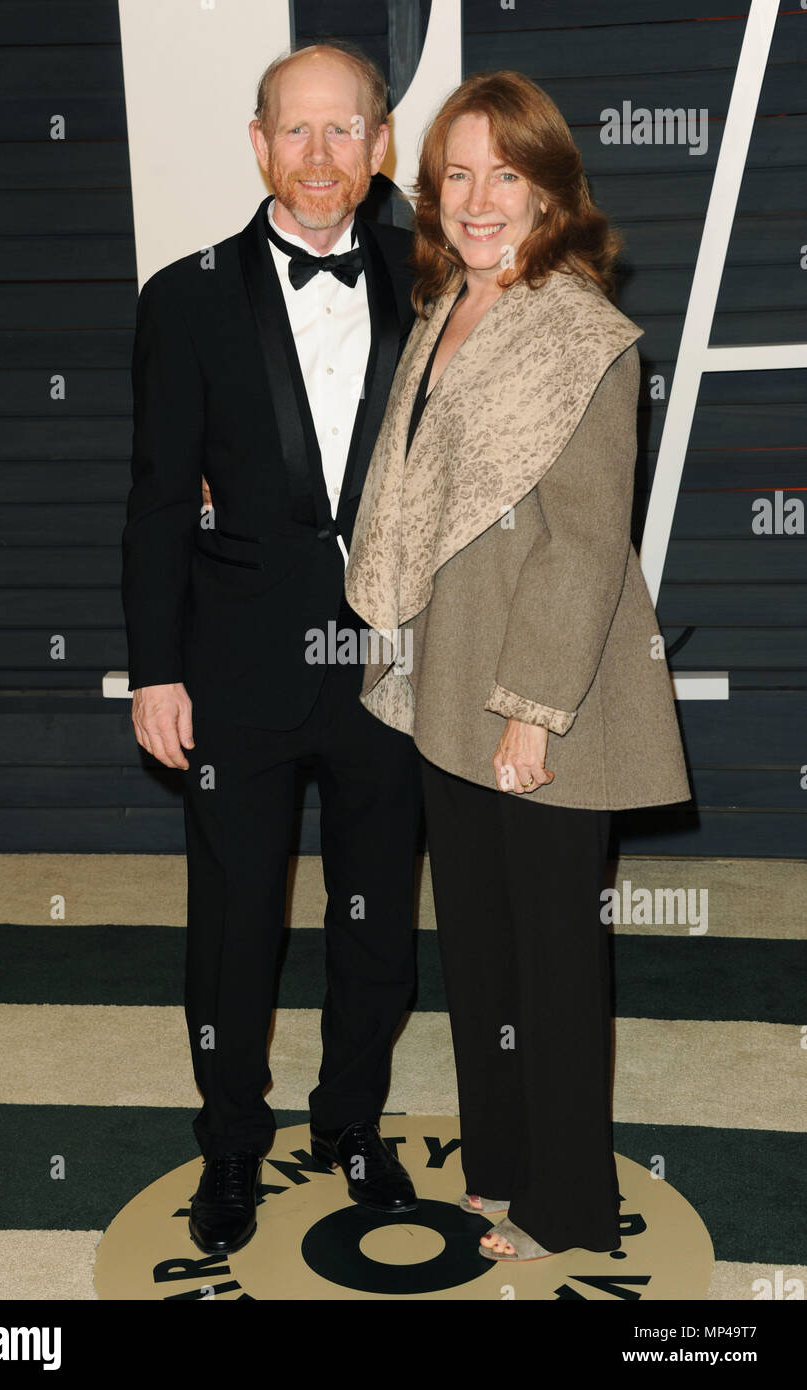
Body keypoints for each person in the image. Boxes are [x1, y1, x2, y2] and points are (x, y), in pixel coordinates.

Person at [345, 70, 692, 1262]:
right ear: (432, 190)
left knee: (552, 957)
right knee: (480, 942)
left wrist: (532, 714)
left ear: (552, 191)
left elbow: (589, 541)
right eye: (458, 173)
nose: (479, 198)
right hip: (449, 682)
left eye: (508, 173)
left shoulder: (585, 334)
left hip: (550, 693)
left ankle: (570, 1207)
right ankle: (503, 1165)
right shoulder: (448, 309)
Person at [121, 40, 423, 1257]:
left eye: (343, 130)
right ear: (258, 146)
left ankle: (352, 1120)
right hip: (235, 668)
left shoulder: (436, 277)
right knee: (237, 920)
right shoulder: (182, 296)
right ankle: (232, 1143)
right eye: (294, 132)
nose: (318, 156)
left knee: (377, 922)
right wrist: (154, 665)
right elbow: (154, 498)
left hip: (393, 667)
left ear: (379, 147)